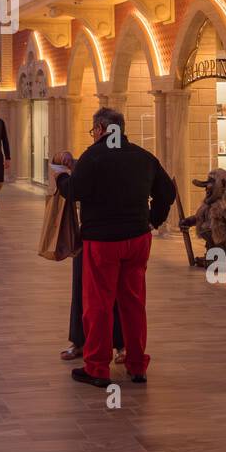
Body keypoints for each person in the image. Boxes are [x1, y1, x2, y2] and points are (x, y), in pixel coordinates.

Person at [55, 107, 174, 387]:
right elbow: (167, 192)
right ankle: (136, 365)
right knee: (133, 303)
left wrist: (60, 175)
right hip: (137, 239)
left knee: (98, 304)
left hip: (103, 241)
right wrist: (152, 220)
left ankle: (97, 367)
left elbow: (73, 192)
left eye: (94, 130)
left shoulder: (93, 156)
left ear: (99, 129)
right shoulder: (143, 156)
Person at [53, 149, 124, 364]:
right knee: (82, 290)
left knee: (117, 292)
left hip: (114, 235)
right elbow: (63, 163)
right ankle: (81, 341)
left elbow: (71, 189)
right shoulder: (91, 157)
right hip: (91, 235)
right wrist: (62, 159)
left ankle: (120, 344)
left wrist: (62, 177)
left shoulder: (128, 158)